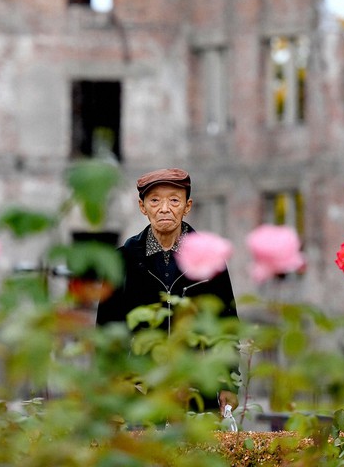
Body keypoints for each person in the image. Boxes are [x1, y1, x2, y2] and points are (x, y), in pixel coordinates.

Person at [96, 167, 238, 413]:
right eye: (154, 200)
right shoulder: (122, 260)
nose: (164, 208)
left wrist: (228, 384)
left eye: (174, 200)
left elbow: (226, 323)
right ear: (143, 207)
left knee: (198, 449)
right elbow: (107, 329)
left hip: (197, 386)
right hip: (141, 389)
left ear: (187, 206)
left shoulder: (207, 258)